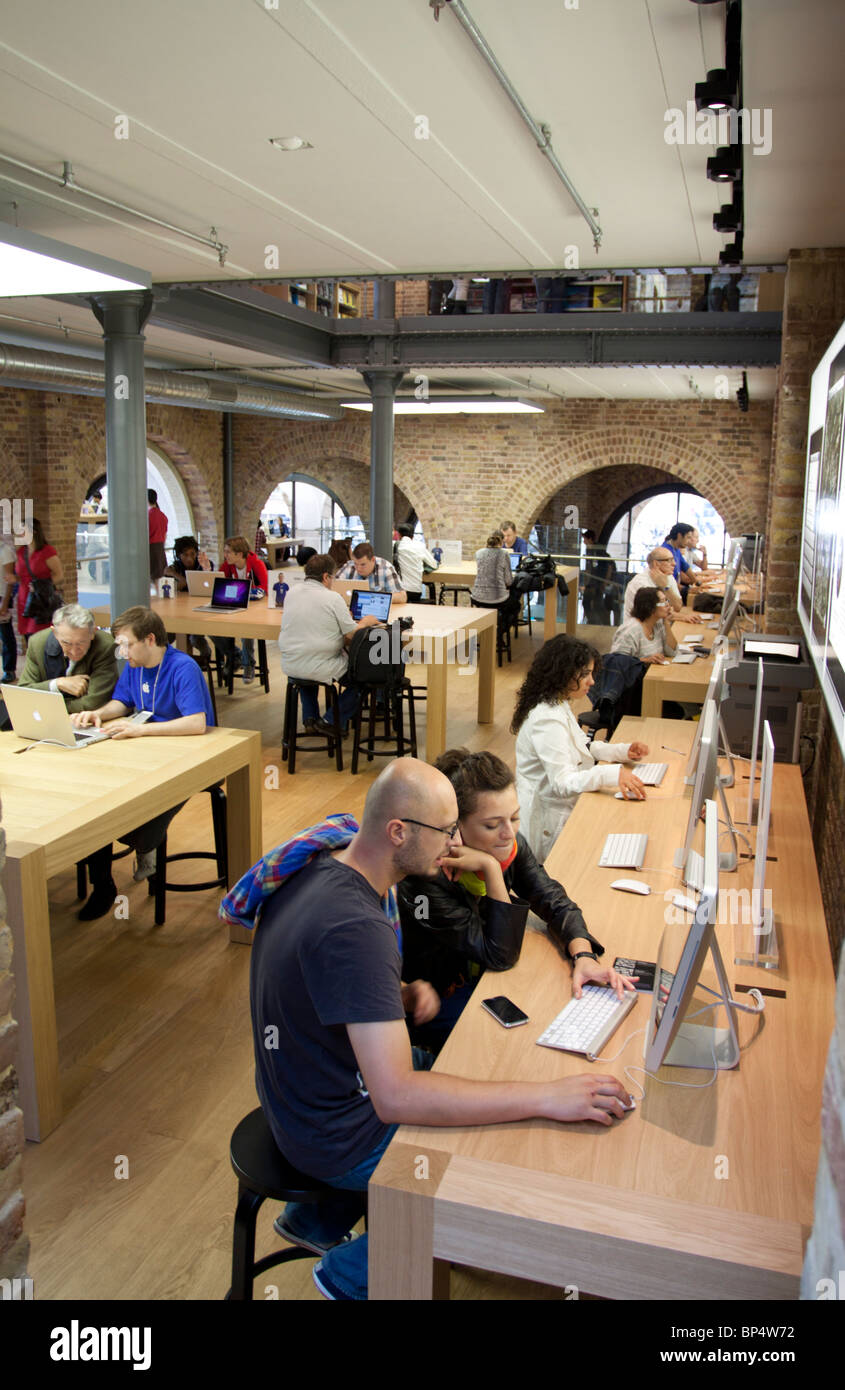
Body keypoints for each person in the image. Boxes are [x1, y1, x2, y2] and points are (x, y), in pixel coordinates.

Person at [234, 757, 632, 1301]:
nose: (453, 844)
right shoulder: (358, 925)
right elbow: (396, 1097)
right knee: (508, 1162)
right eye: (446, 830)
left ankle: (318, 1220)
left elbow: (317, 985)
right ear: (398, 832)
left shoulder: (326, 860)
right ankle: (355, 1271)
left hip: (296, 1097)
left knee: (478, 1073)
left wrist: (392, 995)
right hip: (332, 1133)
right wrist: (548, 1095)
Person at [397, 748, 635, 1052]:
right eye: (492, 824)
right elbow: (499, 955)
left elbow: (552, 899)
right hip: (437, 999)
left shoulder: (507, 846)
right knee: (520, 1043)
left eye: (515, 817)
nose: (509, 833)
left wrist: (584, 956)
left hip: (484, 978)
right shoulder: (425, 881)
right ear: (455, 826)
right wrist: (491, 870)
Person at [71, 605, 215, 920]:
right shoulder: (135, 666)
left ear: (150, 639)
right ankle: (105, 879)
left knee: (135, 826)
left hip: (186, 754)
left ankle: (145, 844)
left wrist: (140, 730)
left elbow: (196, 724)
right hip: (146, 750)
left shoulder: (182, 667)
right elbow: (123, 702)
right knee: (96, 798)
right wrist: (99, 714)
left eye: (126, 645)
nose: (122, 653)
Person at [512, 636, 650, 862]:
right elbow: (563, 783)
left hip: (556, 811)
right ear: (562, 674)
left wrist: (623, 752)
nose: (592, 682)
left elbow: (582, 746)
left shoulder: (557, 703)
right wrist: (612, 773)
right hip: (547, 823)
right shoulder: (547, 719)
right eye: (585, 674)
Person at [278, 552, 380, 735]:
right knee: (363, 680)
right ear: (326, 577)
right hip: (321, 665)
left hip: (291, 664)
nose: (332, 581)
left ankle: (310, 718)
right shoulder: (332, 598)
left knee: (307, 670)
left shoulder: (291, 593)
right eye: (332, 577)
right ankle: (330, 720)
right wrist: (367, 621)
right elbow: (353, 634)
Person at [18, 604, 119, 710]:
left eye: (81, 643)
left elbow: (92, 703)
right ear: (55, 633)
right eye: (66, 643)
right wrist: (57, 684)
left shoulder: (106, 646)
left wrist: (45, 704)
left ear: (93, 632)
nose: (74, 651)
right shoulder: (38, 643)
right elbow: (23, 692)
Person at [212, 535, 268, 684]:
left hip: (255, 609)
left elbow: (264, 589)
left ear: (239, 554)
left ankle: (248, 664)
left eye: (228, 552)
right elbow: (219, 585)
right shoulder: (227, 566)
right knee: (211, 626)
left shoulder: (257, 564)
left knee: (246, 630)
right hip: (234, 605)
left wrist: (239, 592)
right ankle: (234, 654)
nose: (225, 555)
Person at [163, 535, 215, 664]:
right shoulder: (176, 567)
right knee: (167, 635)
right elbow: (173, 589)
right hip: (180, 611)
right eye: (185, 555)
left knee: (194, 638)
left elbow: (199, 583)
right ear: (179, 555)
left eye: (192, 554)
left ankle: (205, 655)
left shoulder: (204, 565)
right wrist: (176, 575)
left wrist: (176, 575)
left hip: (201, 610)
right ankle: (177, 663)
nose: (189, 558)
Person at [15, 517, 63, 643]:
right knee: (29, 639)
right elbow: (22, 575)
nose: (19, 533)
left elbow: (59, 575)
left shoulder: (46, 551)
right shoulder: (21, 552)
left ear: (33, 531)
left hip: (41, 599)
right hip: (25, 600)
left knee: (42, 639)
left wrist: (40, 585)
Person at [611, 587, 678, 664]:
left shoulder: (658, 624)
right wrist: (645, 660)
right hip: (637, 675)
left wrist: (666, 622)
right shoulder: (630, 631)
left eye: (667, 600)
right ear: (649, 607)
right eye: (663, 602)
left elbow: (672, 653)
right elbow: (616, 662)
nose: (668, 605)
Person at [470, 531, 518, 625]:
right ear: (502, 542)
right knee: (516, 606)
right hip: (498, 598)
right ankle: (500, 632)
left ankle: (485, 628)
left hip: (477, 597)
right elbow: (508, 581)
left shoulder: (478, 553)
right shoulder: (504, 554)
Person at [623, 546, 685, 619]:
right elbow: (654, 614)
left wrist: (666, 587)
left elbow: (678, 607)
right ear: (656, 563)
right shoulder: (640, 583)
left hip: (661, 625)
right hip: (640, 628)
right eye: (669, 560)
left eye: (673, 559)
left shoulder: (669, 577)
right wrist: (665, 587)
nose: (674, 563)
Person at [335, 542, 407, 603]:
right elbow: (333, 588)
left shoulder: (385, 568)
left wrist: (379, 599)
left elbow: (402, 596)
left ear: (373, 560)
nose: (358, 568)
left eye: (363, 564)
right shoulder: (349, 566)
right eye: (356, 564)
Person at [394, 522, 437, 603]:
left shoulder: (395, 546)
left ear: (399, 535)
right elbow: (433, 564)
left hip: (400, 591)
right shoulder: (420, 546)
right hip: (416, 591)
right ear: (412, 536)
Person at [663, 523, 702, 595]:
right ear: (679, 536)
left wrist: (697, 583)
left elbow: (685, 567)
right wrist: (688, 590)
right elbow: (667, 581)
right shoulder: (665, 551)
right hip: (668, 593)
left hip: (675, 590)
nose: (689, 541)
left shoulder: (676, 549)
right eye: (688, 537)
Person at [0, 527, 17, 682]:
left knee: (6, 635)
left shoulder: (5, 551)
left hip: (2, 597)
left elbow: (10, 581)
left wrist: (5, 602)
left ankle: (9, 669)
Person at [148, 489, 169, 582]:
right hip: (160, 549)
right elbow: (164, 535)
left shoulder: (147, 515)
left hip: (151, 549)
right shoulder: (162, 515)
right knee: (160, 580)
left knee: (154, 580)